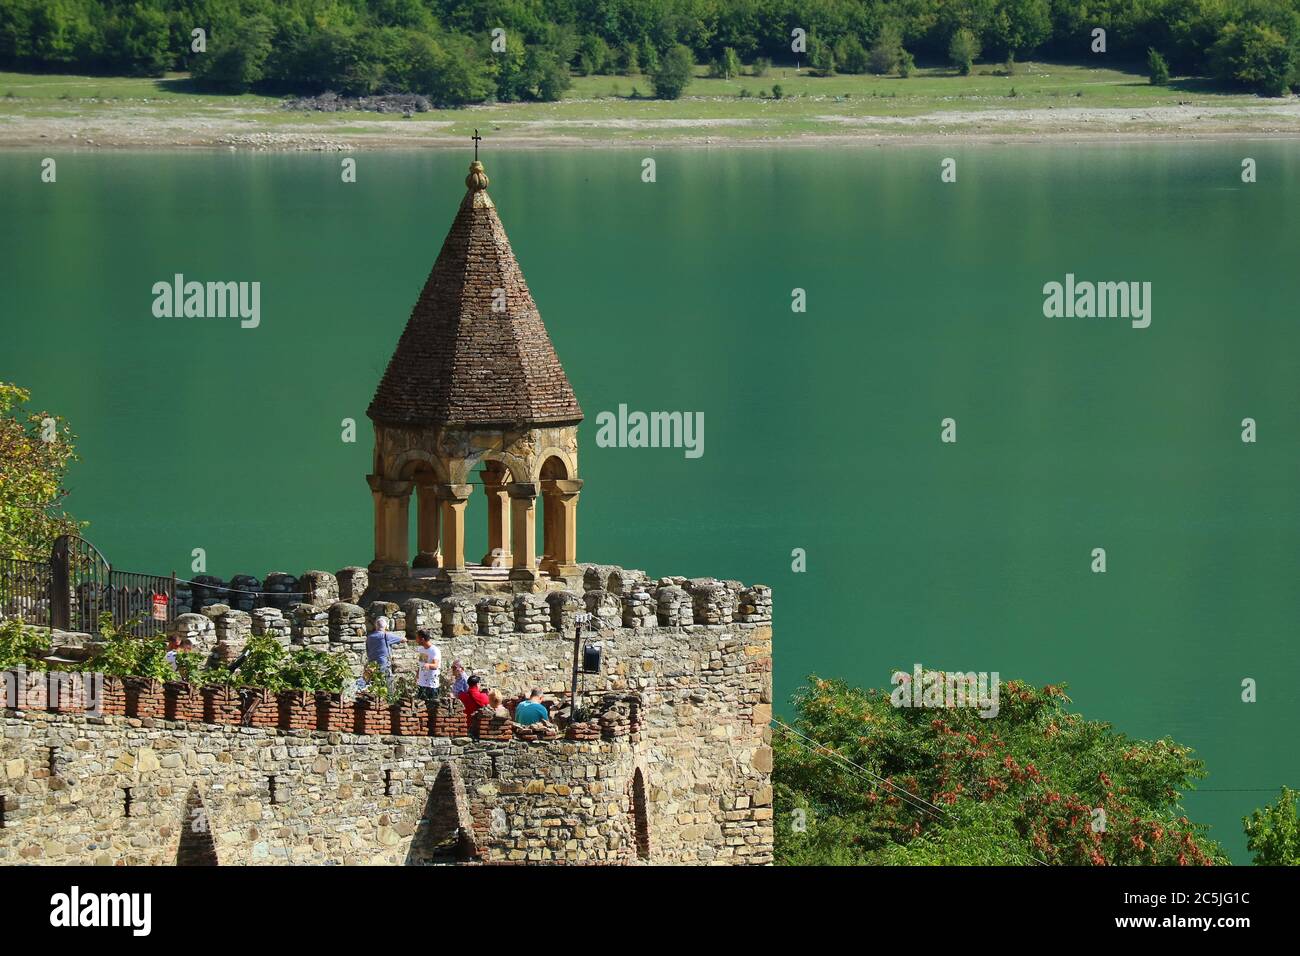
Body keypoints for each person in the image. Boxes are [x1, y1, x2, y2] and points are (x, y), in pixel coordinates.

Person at [365, 615, 405, 692]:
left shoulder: (369, 637)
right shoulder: (386, 635)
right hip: (384, 663)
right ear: (386, 626)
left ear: (376, 626)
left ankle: (376, 700)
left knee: (374, 685)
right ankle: (389, 700)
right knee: (387, 684)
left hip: (372, 664)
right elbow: (403, 639)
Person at [414, 629, 441, 702]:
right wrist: (418, 675)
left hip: (432, 684)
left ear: (422, 639)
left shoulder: (434, 650)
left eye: (417, 638)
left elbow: (435, 665)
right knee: (421, 707)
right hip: (422, 683)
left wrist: (428, 665)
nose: (416, 640)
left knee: (432, 708)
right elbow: (422, 663)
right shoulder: (422, 649)